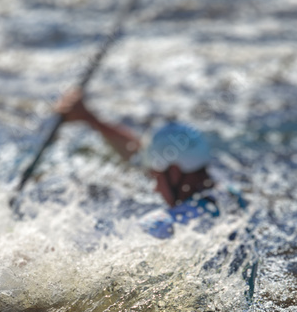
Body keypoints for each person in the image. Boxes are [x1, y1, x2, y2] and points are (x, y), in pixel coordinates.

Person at [56, 89, 223, 238]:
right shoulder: (229, 196)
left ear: (174, 172)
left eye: (155, 178)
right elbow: (139, 155)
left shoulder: (164, 225)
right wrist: (90, 118)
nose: (154, 188)